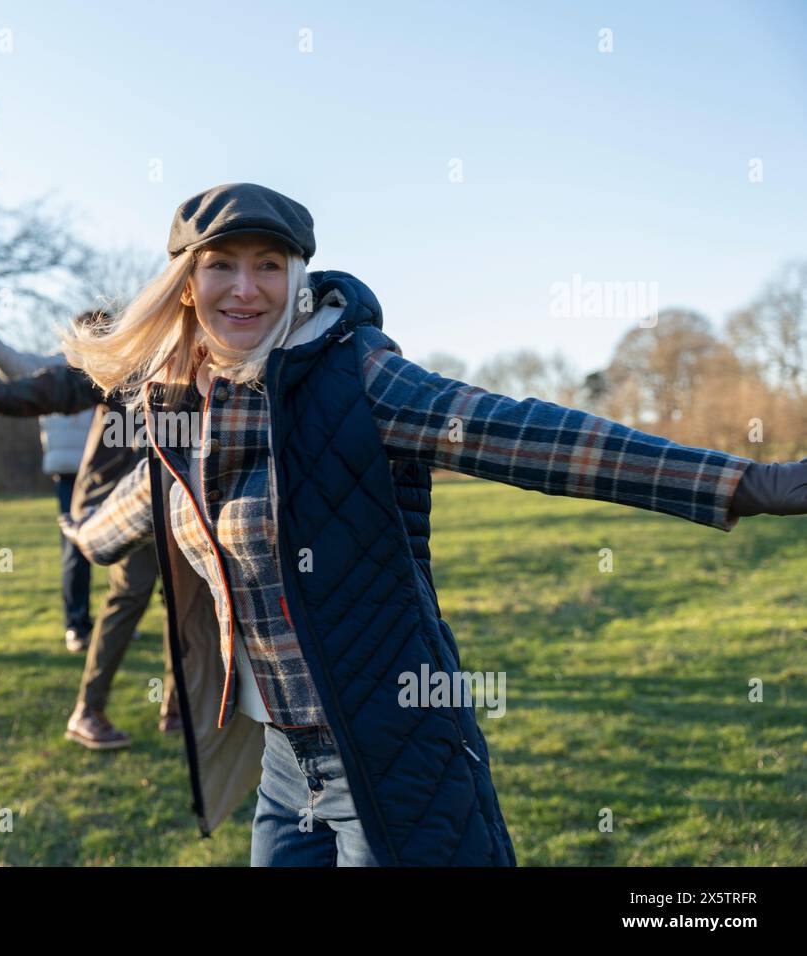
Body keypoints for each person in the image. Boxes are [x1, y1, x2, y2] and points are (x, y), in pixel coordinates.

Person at [57, 182, 807, 866]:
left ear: (298, 279)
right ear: (186, 284)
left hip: (393, 749)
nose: (246, 288)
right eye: (222, 264)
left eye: (270, 265)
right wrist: (82, 539)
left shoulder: (358, 379)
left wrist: (752, 483)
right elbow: (138, 508)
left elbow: (527, 437)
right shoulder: (181, 413)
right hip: (283, 770)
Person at [0, 311, 190, 749]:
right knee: (131, 594)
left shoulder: (198, 366)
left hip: (175, 500)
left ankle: (176, 709)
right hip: (122, 501)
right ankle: (88, 711)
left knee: (183, 602)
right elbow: (60, 385)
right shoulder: (127, 366)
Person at [0, 307, 96, 652]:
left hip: (112, 471)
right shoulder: (53, 370)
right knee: (77, 549)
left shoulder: (117, 368)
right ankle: (78, 625)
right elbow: (11, 363)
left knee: (123, 549)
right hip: (71, 472)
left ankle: (116, 618)